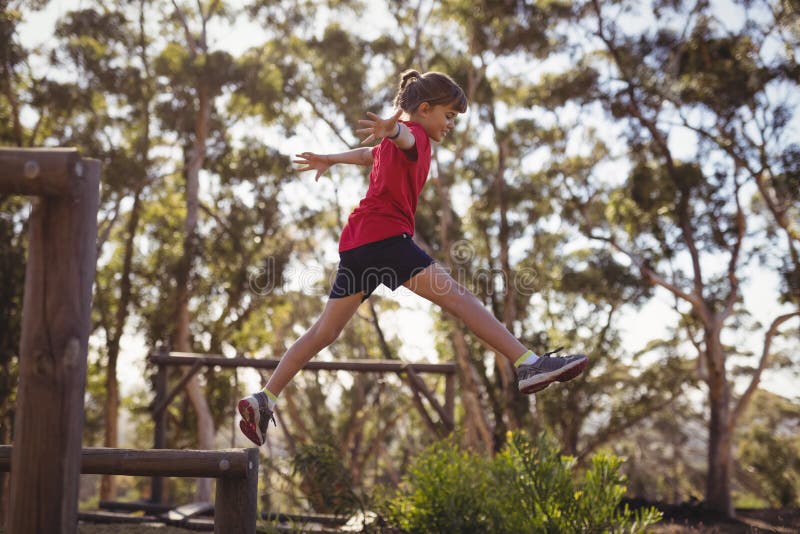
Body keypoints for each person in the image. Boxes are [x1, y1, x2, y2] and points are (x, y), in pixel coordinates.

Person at [237, 70, 588, 446]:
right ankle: (528, 364)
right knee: (460, 298)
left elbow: (371, 153)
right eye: (449, 116)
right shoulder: (416, 136)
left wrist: (332, 158)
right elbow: (402, 138)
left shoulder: (401, 139)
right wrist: (392, 130)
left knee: (325, 331)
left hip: (358, 242)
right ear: (425, 109)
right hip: (386, 238)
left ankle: (265, 398)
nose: (451, 124)